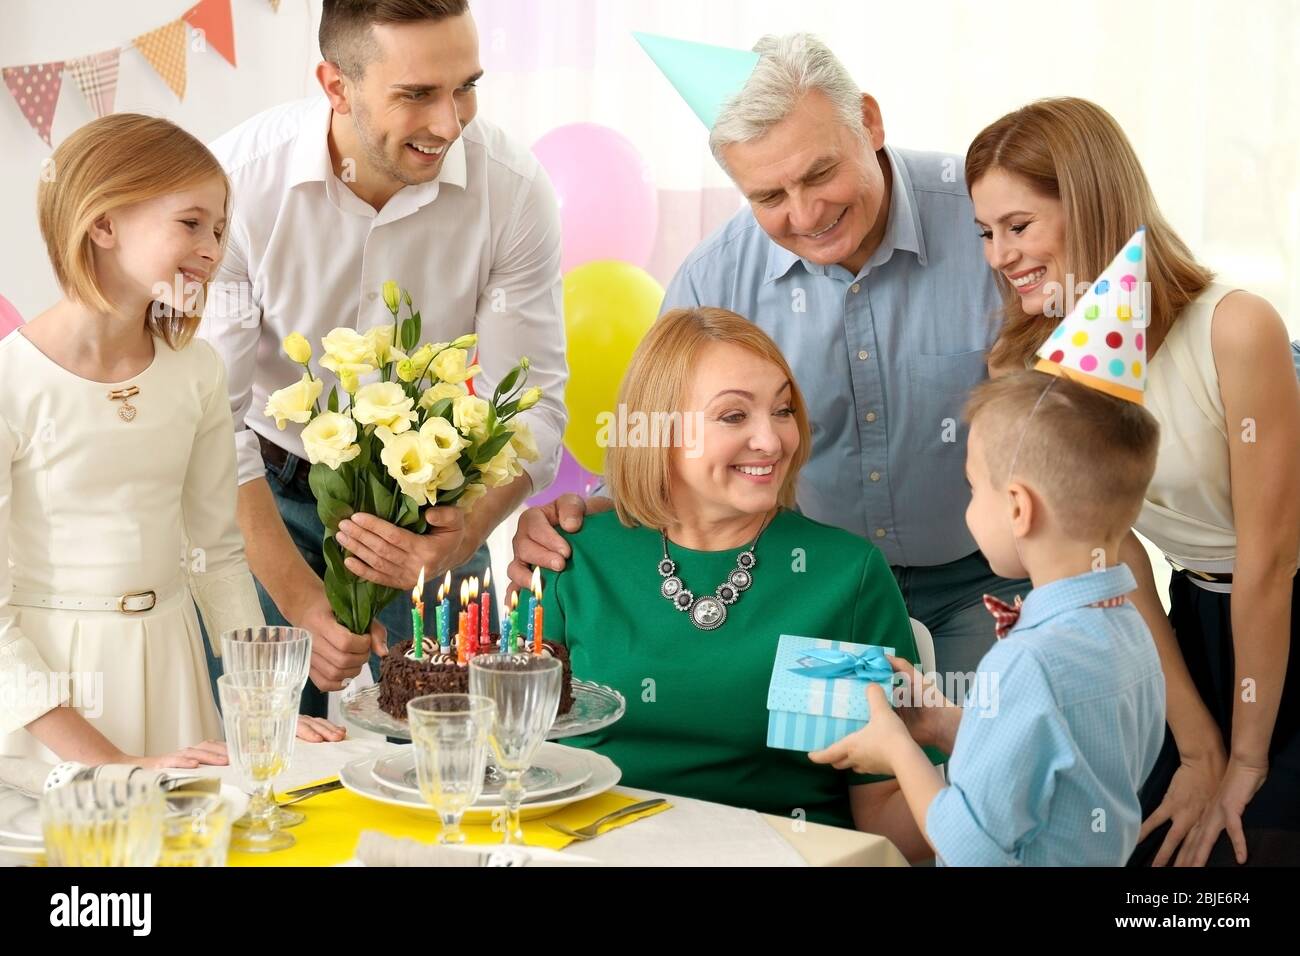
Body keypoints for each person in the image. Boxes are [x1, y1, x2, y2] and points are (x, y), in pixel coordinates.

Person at [511, 33, 1021, 681]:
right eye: (770, 198)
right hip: (817, 585)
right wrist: (574, 517)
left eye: (819, 174)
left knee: (982, 767)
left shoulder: (991, 224)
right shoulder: (714, 278)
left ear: (868, 120)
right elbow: (663, 450)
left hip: (990, 579)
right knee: (836, 773)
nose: (807, 214)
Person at [199, 0, 568, 716]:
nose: (450, 122)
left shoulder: (514, 192)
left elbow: (535, 410)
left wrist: (461, 536)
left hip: (428, 513)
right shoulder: (235, 182)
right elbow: (215, 426)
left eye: (465, 85)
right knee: (257, 755)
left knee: (451, 746)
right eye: (417, 94)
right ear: (336, 86)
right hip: (260, 501)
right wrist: (303, 602)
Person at [967, 97, 1300, 865]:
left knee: (1247, 846)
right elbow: (1113, 556)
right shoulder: (1026, 365)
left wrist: (1244, 759)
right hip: (1198, 618)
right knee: (1159, 837)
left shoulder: (1236, 327)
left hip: (1276, 603)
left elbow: (1270, 561)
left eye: (1018, 227)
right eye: (985, 234)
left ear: (1088, 206)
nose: (997, 255)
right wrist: (1195, 745)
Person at [539, 307, 941, 861]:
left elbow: (884, 824)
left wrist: (989, 769)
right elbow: (521, 766)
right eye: (733, 416)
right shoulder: (575, 557)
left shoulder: (837, 578)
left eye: (782, 411)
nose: (773, 441)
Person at [0, 115, 272, 767]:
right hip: (50, 713)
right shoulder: (12, 381)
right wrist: (113, 766)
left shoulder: (198, 372)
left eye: (219, 227)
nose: (212, 247)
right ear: (103, 224)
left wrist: (265, 711)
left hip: (176, 677)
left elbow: (218, 556)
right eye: (191, 222)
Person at [813, 369, 1166, 865]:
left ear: (1019, 508)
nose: (970, 508)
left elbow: (966, 846)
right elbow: (1065, 762)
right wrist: (945, 725)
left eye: (973, 489)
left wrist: (897, 750)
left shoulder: (1027, 661)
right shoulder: (1130, 629)